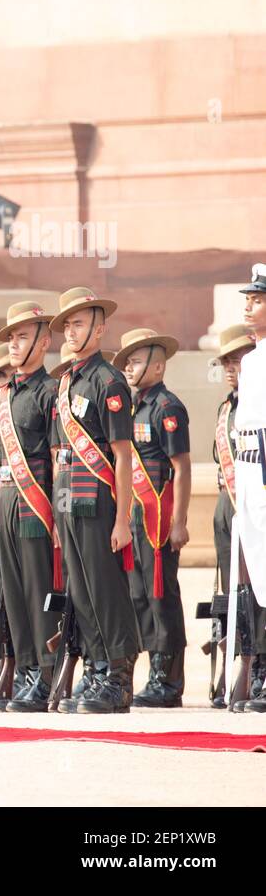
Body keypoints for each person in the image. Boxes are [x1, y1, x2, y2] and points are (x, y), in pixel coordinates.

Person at [48, 287, 140, 714]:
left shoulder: (109, 381)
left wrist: (123, 518)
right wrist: (54, 512)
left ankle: (119, 677)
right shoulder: (64, 382)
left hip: (100, 502)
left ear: (100, 328)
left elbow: (123, 455)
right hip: (68, 501)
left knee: (106, 590)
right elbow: (56, 455)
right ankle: (98, 667)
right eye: (67, 324)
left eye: (80, 323)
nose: (71, 330)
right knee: (81, 592)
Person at [114, 328, 191, 708]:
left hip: (158, 519)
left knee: (161, 596)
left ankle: (168, 678)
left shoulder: (167, 407)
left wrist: (179, 521)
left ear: (157, 365)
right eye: (126, 361)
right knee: (138, 595)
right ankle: (149, 669)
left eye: (136, 359)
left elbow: (182, 467)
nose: (128, 366)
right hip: (133, 519)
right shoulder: (129, 406)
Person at [0, 302, 60, 712]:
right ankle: (25, 669)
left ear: (43, 341)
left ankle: (45, 672)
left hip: (36, 501)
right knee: (12, 590)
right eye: (11, 338)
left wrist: (54, 511)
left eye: (22, 336)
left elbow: (55, 458)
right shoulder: (3, 395)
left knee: (38, 588)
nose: (14, 345)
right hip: (6, 497)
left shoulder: (50, 392)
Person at [210, 324, 259, 706]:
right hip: (228, 505)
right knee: (235, 592)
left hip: (252, 500)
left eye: (236, 359)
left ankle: (256, 664)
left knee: (257, 586)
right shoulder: (227, 407)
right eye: (225, 361)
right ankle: (244, 660)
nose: (229, 368)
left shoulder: (254, 405)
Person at [229, 265, 266, 712]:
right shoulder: (251, 361)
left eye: (257, 299)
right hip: (249, 476)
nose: (248, 305)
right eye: (249, 298)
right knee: (258, 577)